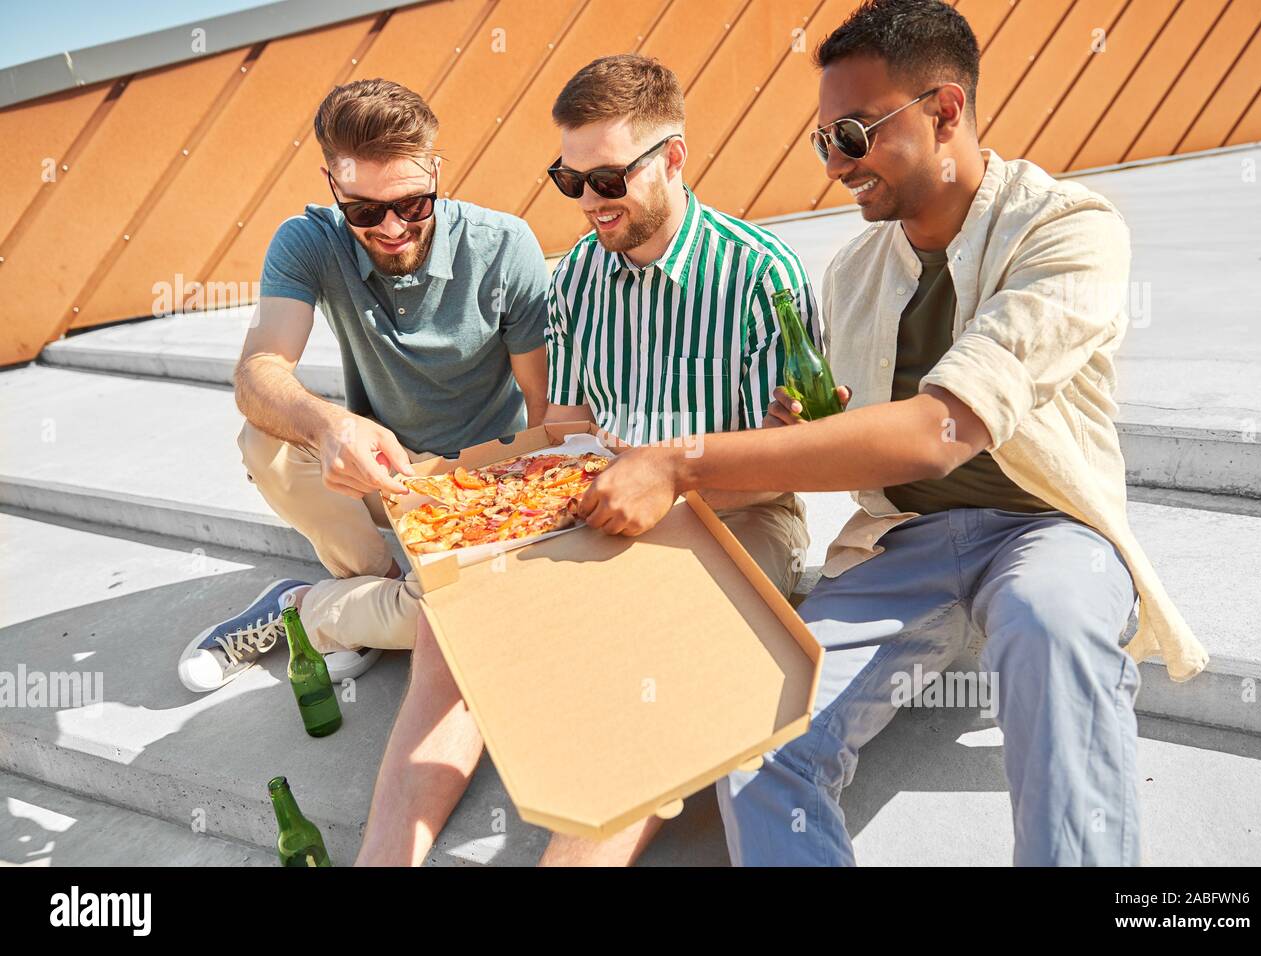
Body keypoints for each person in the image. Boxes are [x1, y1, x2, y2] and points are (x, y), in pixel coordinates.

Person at [576, 0, 1208, 866]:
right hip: (898, 544)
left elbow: (939, 430)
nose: (835, 164)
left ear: (944, 110)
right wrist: (801, 434)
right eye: (823, 142)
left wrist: (682, 461)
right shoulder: (855, 268)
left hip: (1047, 528)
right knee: (755, 733)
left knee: (1049, 624)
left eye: (852, 133)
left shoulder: (1069, 230)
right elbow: (851, 440)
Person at [355, 55, 819, 867]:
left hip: (737, 515)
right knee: (448, 625)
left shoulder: (760, 276)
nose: (589, 204)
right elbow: (568, 423)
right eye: (570, 182)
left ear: (673, 158)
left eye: (607, 180)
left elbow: (790, 463)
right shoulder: (574, 280)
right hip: (599, 507)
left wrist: (671, 480)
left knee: (656, 677)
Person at [178, 79, 551, 693]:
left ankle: (316, 610)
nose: (394, 228)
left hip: (490, 484)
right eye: (365, 212)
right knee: (265, 437)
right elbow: (256, 374)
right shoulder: (308, 241)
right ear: (332, 184)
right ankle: (371, 588)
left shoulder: (504, 245)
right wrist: (331, 424)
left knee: (498, 613)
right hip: (386, 474)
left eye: (413, 203)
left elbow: (543, 412)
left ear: (435, 170)